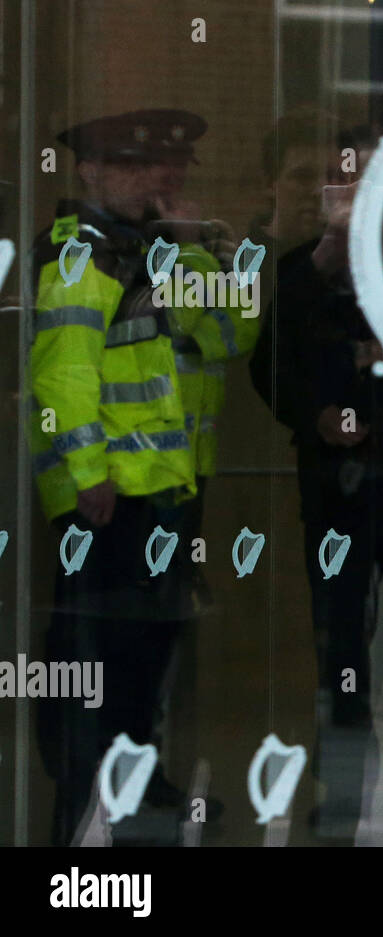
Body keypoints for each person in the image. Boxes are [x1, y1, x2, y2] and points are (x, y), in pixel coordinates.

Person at [30, 109, 215, 844]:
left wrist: (194, 250)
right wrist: (86, 472)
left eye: (171, 169)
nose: (163, 180)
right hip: (108, 498)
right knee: (93, 667)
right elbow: (64, 372)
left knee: (145, 658)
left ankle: (132, 794)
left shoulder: (150, 251)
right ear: (90, 173)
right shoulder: (83, 251)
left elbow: (228, 334)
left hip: (161, 487)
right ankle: (83, 821)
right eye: (141, 167)